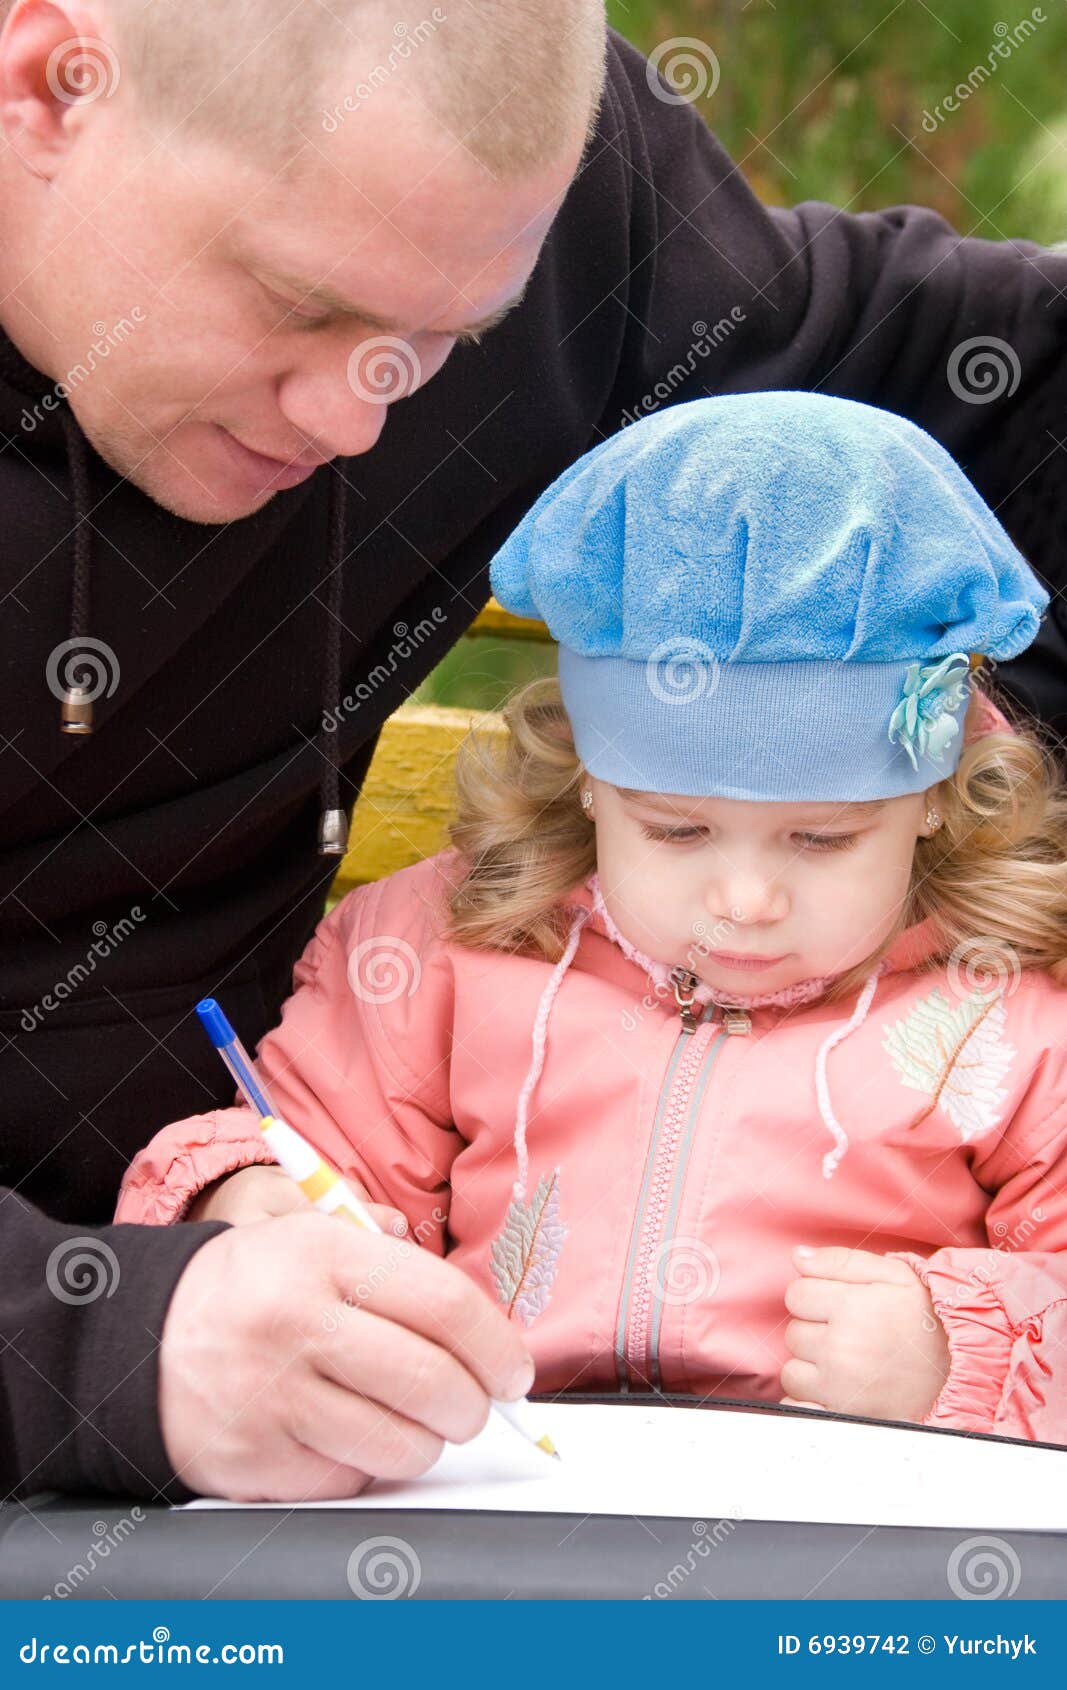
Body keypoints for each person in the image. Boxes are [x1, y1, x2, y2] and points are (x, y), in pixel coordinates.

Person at [3, 0, 1067, 1504]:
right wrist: (104, 1340)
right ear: (51, 87)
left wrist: (939, 810)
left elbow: (1016, 371)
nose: (359, 422)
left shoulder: (534, 183)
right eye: (298, 305)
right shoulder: (423, 982)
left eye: (449, 340)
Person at [120, 391, 1067, 1447]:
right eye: (674, 832)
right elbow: (316, 1153)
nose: (743, 900)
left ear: (932, 795)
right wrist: (242, 1204)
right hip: (496, 1487)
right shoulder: (449, 946)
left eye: (821, 840)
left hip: (843, 1522)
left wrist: (954, 1351)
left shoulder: (1013, 1009)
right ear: (586, 780)